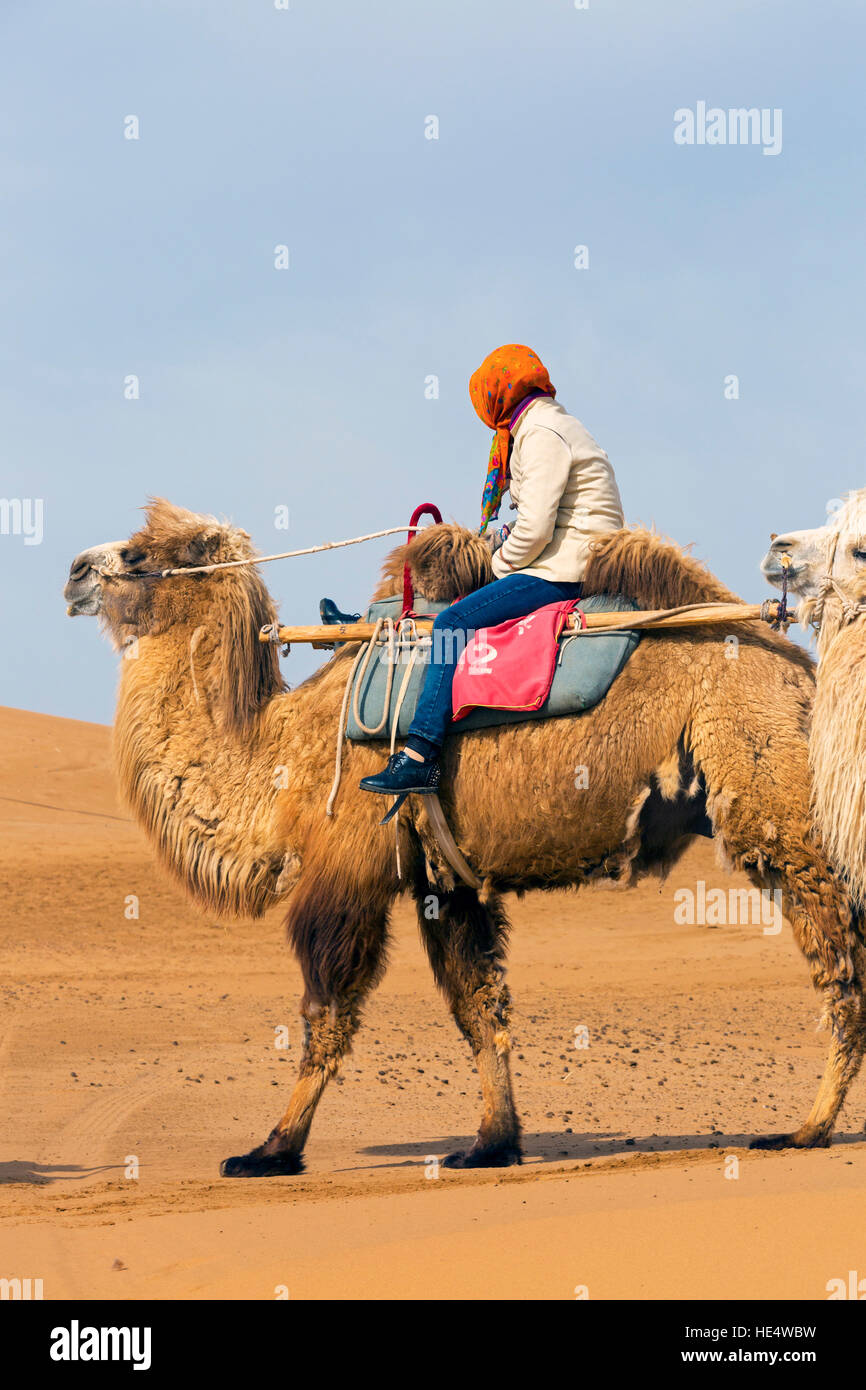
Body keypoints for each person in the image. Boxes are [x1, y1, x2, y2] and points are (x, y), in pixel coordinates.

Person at [359, 342, 624, 800]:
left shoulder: (540, 434)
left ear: (498, 394)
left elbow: (537, 527)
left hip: (567, 568)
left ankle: (421, 754)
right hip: (568, 558)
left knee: (451, 621)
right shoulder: (545, 425)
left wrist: (495, 566)